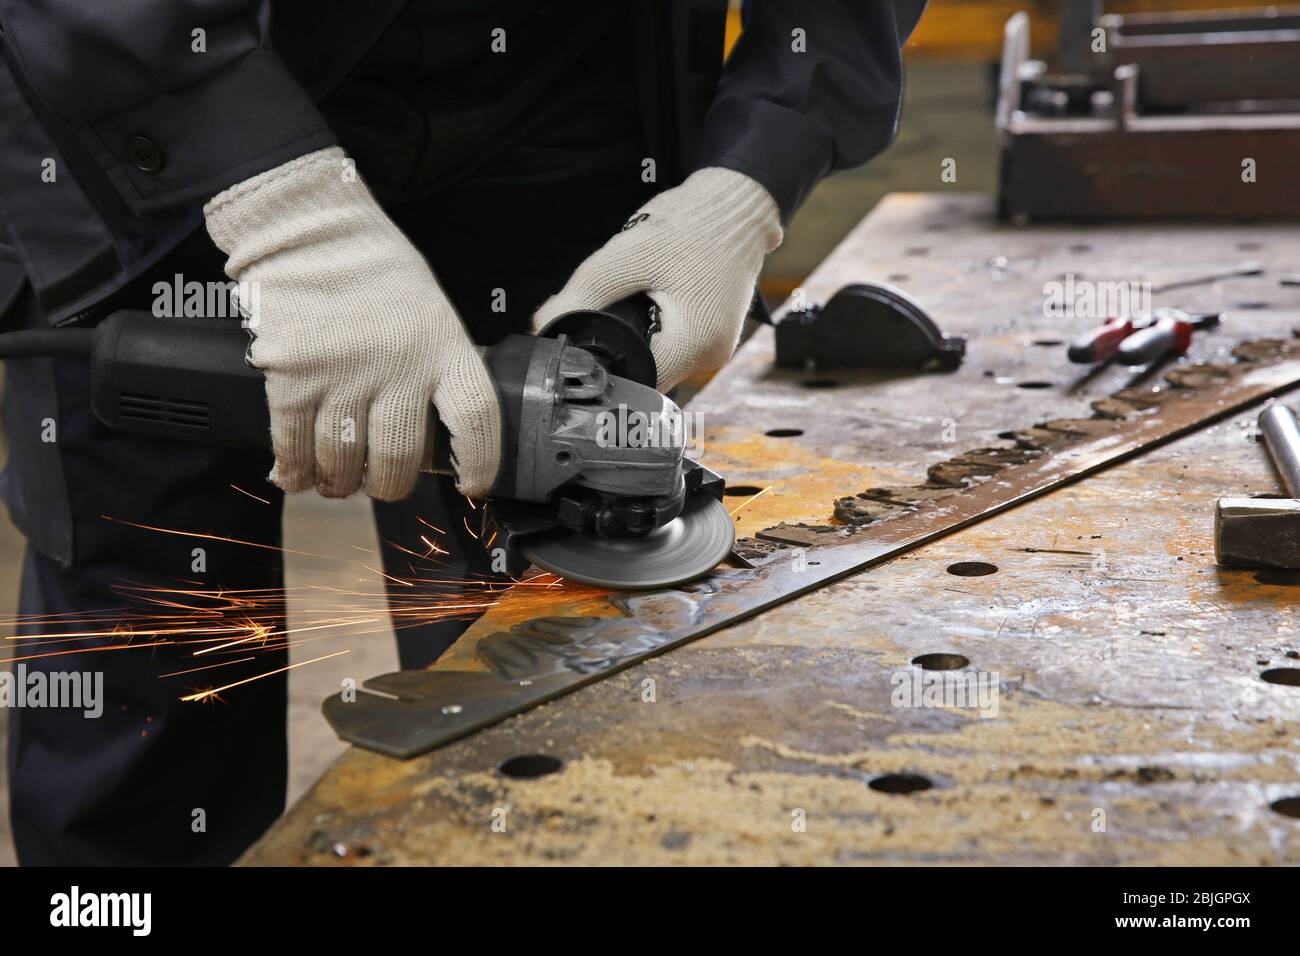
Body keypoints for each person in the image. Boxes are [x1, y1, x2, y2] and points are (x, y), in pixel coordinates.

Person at [0, 1, 927, 864]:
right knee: (156, 637)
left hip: (568, 82)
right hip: (161, 109)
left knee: (540, 658)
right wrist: (282, 207)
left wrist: (752, 170)